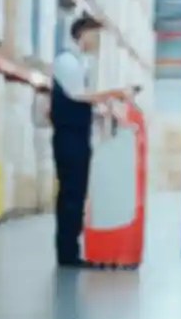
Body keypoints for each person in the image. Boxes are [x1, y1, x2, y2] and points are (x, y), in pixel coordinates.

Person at [50, 15, 135, 268]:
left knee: (77, 193)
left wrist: (104, 109)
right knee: (71, 194)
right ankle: (67, 254)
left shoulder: (78, 63)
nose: (98, 43)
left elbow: (82, 100)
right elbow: (78, 95)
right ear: (84, 34)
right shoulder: (67, 62)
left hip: (77, 136)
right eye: (96, 36)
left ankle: (72, 250)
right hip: (68, 138)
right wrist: (114, 93)